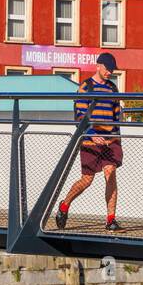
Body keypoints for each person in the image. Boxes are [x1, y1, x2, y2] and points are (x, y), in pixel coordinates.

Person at [57, 52, 123, 231]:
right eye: (107, 69)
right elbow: (80, 115)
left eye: (112, 70)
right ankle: (64, 205)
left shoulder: (112, 88)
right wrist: (91, 134)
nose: (110, 72)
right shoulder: (85, 87)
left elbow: (117, 113)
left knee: (111, 174)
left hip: (110, 139)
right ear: (98, 66)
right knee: (87, 180)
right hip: (90, 140)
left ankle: (110, 220)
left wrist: (115, 136)